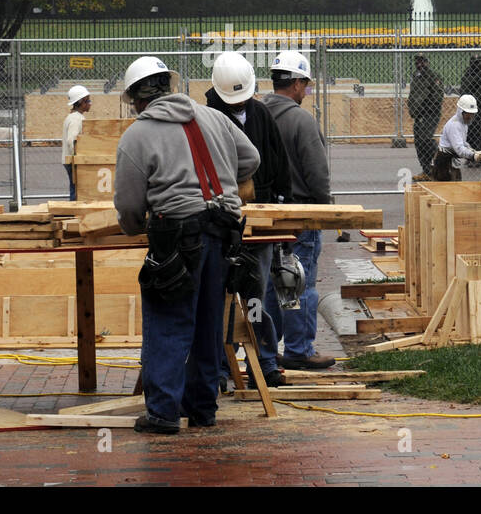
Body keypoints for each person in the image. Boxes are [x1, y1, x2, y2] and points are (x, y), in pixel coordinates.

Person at [114, 55, 259, 433]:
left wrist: (133, 227)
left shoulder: (138, 135)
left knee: (168, 321)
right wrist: (225, 174)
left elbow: (129, 205)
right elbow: (251, 158)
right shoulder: (212, 117)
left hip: (176, 237)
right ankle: (202, 410)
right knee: (209, 323)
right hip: (223, 232)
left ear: (136, 98)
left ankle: (162, 413)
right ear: (169, 86)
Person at [205, 51, 292, 388]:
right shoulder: (207, 117)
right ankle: (221, 368)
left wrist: (281, 206)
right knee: (222, 298)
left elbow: (279, 161)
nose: (240, 107)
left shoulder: (261, 114)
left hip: (260, 221)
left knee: (257, 296)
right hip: (221, 222)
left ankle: (264, 361)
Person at [261, 49, 335, 370]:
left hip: (266, 216)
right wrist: (325, 210)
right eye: (305, 84)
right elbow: (317, 174)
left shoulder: (256, 114)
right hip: (301, 215)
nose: (306, 90)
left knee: (272, 284)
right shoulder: (301, 119)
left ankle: (266, 351)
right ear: (295, 84)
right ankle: (299, 349)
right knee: (299, 283)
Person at [431, 95, 481, 182]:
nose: (470, 116)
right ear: (461, 111)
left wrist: (473, 151)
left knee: (456, 188)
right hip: (444, 162)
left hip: (451, 160)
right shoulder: (455, 125)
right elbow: (459, 149)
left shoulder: (464, 123)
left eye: (472, 114)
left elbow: (463, 143)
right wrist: (473, 155)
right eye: (468, 113)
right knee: (444, 191)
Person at [407, 55, 443, 178]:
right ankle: (427, 171)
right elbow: (413, 95)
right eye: (417, 61)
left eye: (422, 61)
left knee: (426, 139)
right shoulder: (416, 77)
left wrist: (425, 106)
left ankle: (441, 159)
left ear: (427, 62)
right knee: (419, 143)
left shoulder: (433, 77)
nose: (419, 64)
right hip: (418, 115)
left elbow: (437, 97)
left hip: (430, 114)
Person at [62, 85, 91, 199]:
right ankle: (75, 211)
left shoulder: (75, 117)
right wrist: (79, 158)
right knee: (77, 191)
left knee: (76, 188)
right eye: (88, 100)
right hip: (73, 161)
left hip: (72, 160)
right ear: (80, 102)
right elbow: (72, 140)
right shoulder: (75, 119)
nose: (90, 103)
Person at [459, 54, 481, 152]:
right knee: (469, 131)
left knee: (477, 130)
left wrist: (469, 100)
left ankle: (480, 154)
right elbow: (463, 89)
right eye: (474, 62)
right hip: (467, 107)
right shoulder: (467, 74)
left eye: (477, 62)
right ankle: (471, 154)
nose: (475, 65)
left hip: (479, 108)